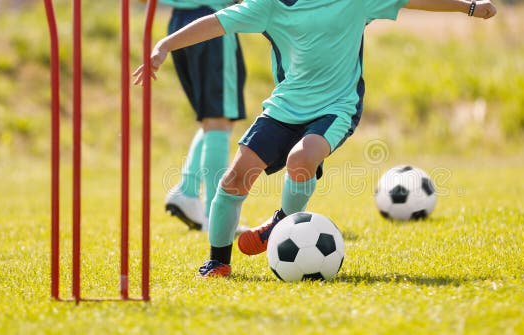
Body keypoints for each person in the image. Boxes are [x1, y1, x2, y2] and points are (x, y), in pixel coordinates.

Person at [134, 0, 497, 277]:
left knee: (302, 158)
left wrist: (469, 6)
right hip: (283, 108)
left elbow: (411, 0)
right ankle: (217, 262)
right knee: (234, 179)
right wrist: (165, 44)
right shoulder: (269, 6)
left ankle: (283, 221)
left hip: (338, 106)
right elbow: (217, 23)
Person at [159, 0, 248, 233]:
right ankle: (213, 216)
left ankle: (187, 191)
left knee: (215, 121)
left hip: (179, 22)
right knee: (218, 120)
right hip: (212, 20)